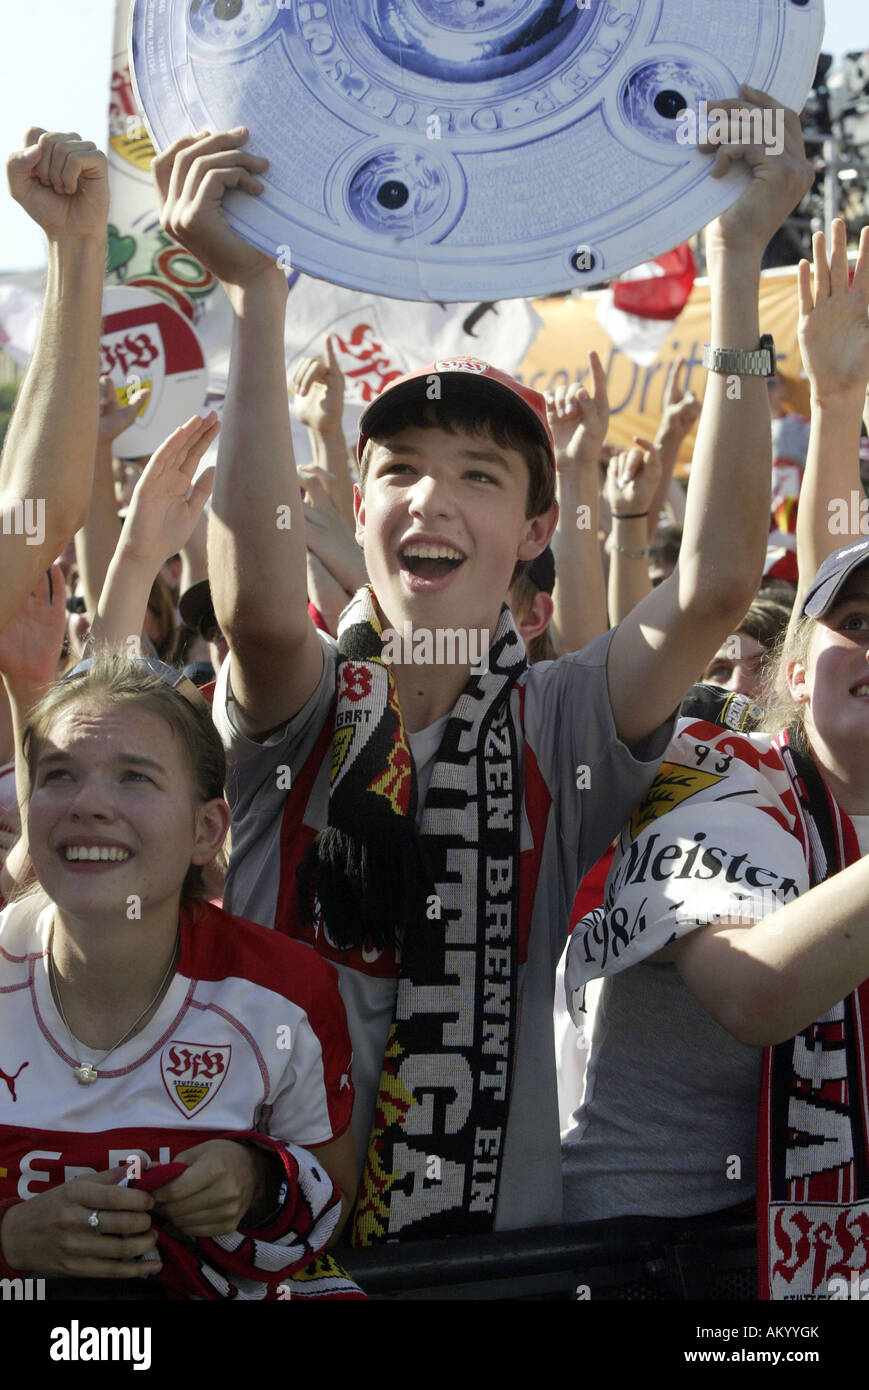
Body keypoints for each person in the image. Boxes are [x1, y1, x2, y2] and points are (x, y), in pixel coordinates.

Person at [150, 91, 811, 1245]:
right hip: (250, 1251)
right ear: (357, 510)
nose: (430, 499)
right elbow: (257, 601)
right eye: (399, 469)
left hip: (484, 1267)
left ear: (537, 527)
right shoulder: (300, 705)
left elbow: (711, 588)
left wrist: (738, 251)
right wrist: (255, 300)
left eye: (476, 475)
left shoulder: (563, 721)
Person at [562, 223, 869, 1301]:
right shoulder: (715, 770)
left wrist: (835, 406)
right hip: (659, 1264)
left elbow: (834, 561)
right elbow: (752, 989)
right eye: (855, 628)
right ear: (791, 663)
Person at [0, 648, 362, 1299]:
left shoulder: (284, 993)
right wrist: (6, 1242)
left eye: (133, 778)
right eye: (58, 776)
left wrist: (257, 1181)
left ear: (207, 828)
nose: (88, 804)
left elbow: (333, 1205)